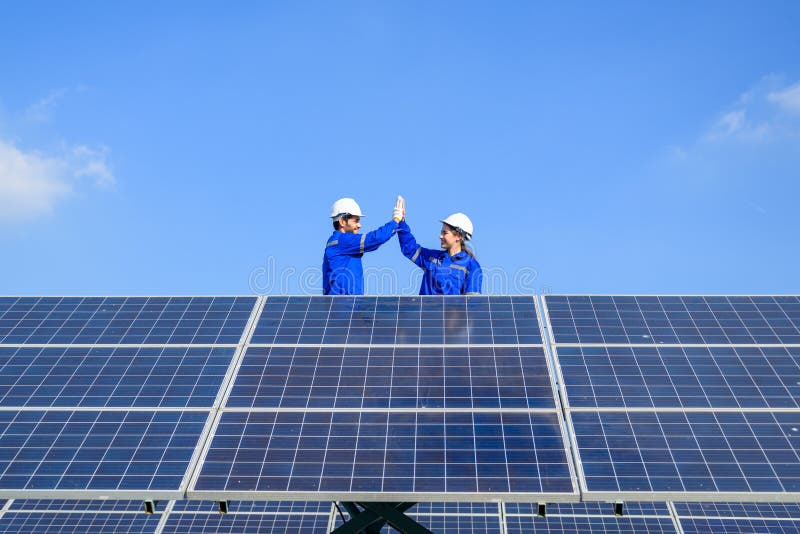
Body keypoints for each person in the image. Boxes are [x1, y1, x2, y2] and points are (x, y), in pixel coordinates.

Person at [323, 196, 405, 295]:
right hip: (343, 306)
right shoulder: (343, 241)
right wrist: (395, 221)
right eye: (356, 221)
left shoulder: (337, 242)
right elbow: (375, 238)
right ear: (342, 222)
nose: (359, 225)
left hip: (343, 305)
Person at [397, 207, 482, 295]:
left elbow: (471, 302)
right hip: (425, 308)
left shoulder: (471, 266)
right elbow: (409, 248)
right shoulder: (432, 257)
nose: (440, 236)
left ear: (458, 236)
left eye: (444, 233)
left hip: (451, 309)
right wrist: (401, 222)